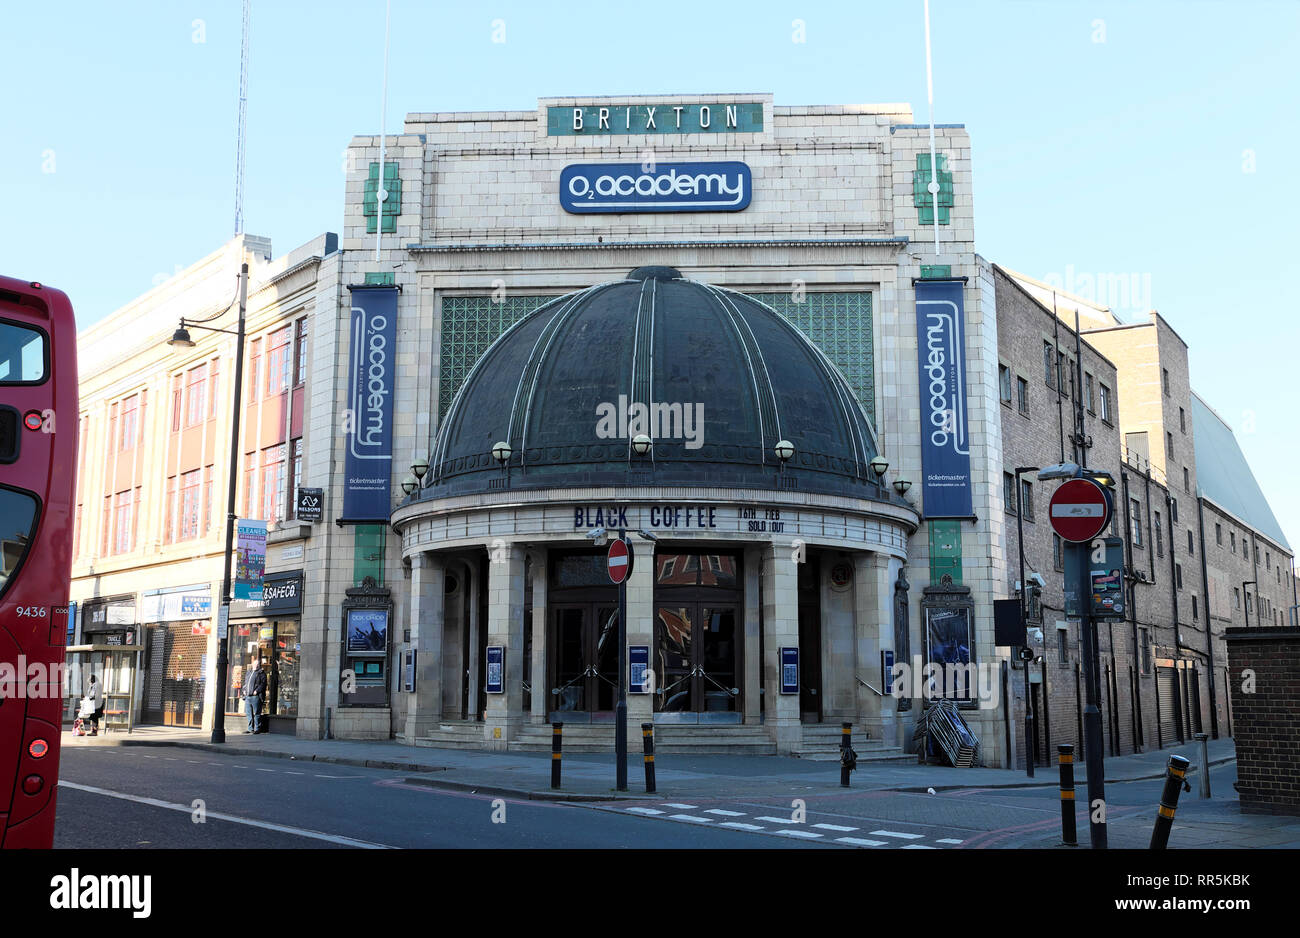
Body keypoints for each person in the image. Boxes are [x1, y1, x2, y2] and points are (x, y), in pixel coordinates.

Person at [244, 658, 267, 734]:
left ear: (259, 665)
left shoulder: (261, 673)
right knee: (248, 713)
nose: (256, 665)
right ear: (252, 664)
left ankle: (257, 728)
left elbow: (263, 684)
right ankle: (250, 728)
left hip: (255, 696)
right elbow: (245, 683)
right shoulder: (249, 672)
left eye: (258, 664)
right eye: (255, 664)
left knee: (257, 713)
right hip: (247, 696)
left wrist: (257, 691)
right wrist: (244, 690)